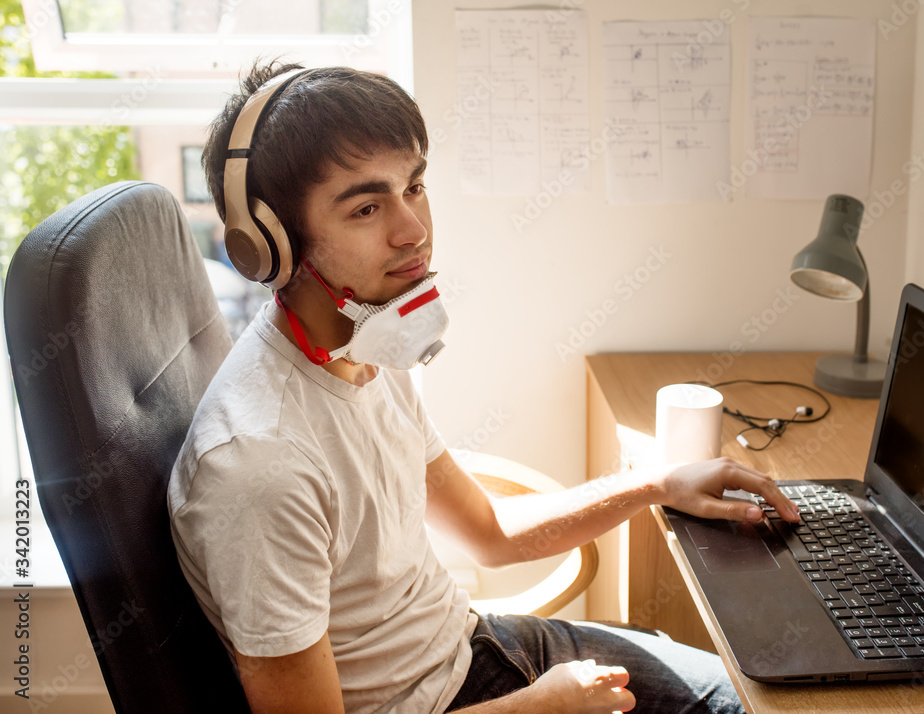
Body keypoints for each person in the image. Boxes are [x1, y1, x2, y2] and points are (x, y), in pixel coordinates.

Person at [167, 59, 801, 714]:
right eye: (365, 206)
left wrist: (657, 485)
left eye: (413, 187)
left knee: (763, 700)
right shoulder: (261, 466)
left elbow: (490, 533)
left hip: (480, 649)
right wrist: (544, 707)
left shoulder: (366, 351)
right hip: (457, 702)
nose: (412, 230)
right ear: (267, 247)